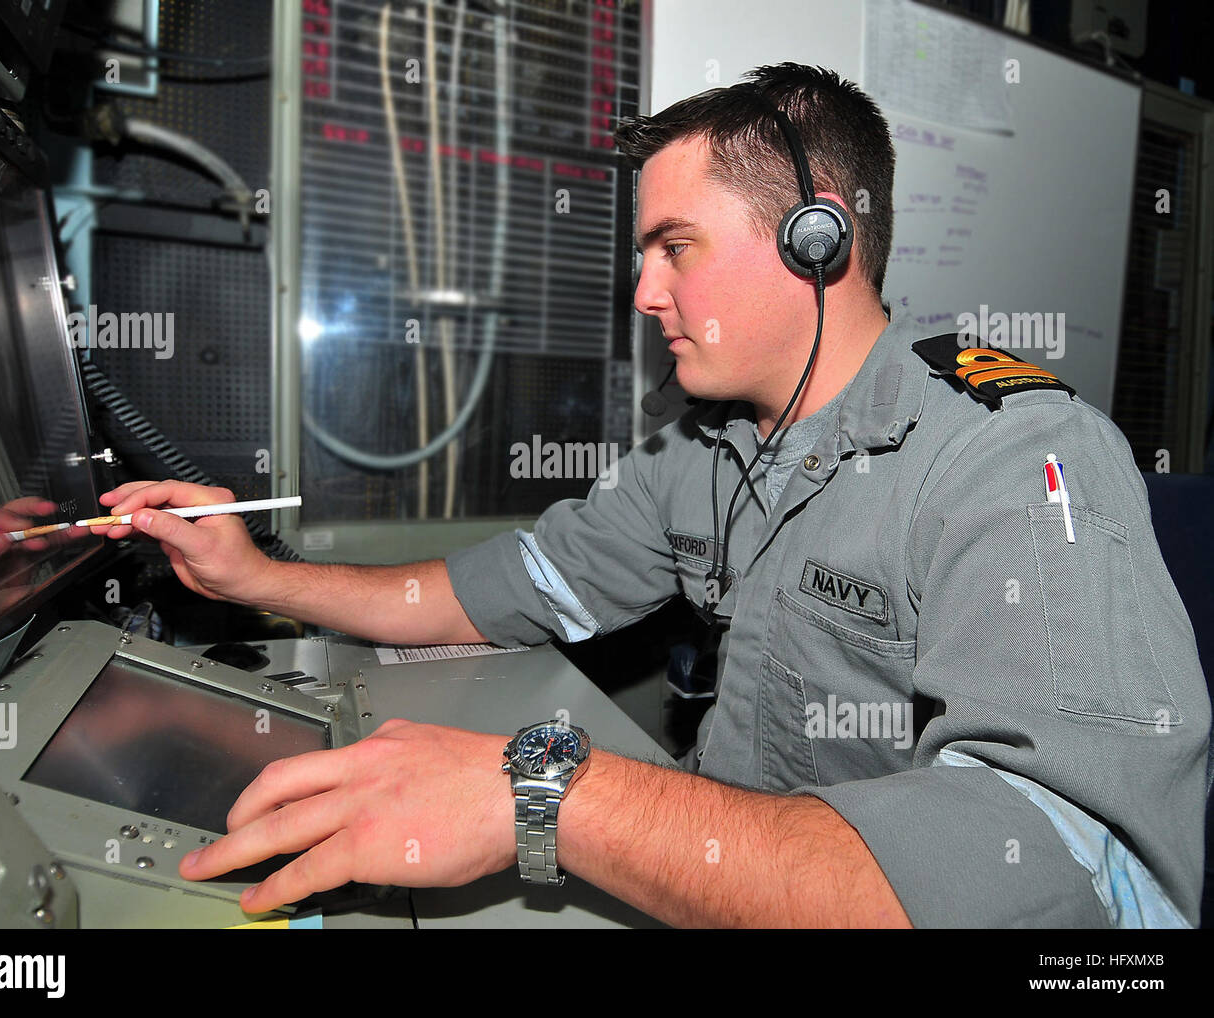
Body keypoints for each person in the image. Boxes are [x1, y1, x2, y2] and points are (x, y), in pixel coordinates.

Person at [91, 64, 1209, 927]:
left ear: (815, 238)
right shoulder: (701, 454)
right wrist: (261, 576)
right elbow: (499, 592)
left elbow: (1063, 881)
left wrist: (546, 796)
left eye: (675, 246)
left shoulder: (1020, 460)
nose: (643, 291)